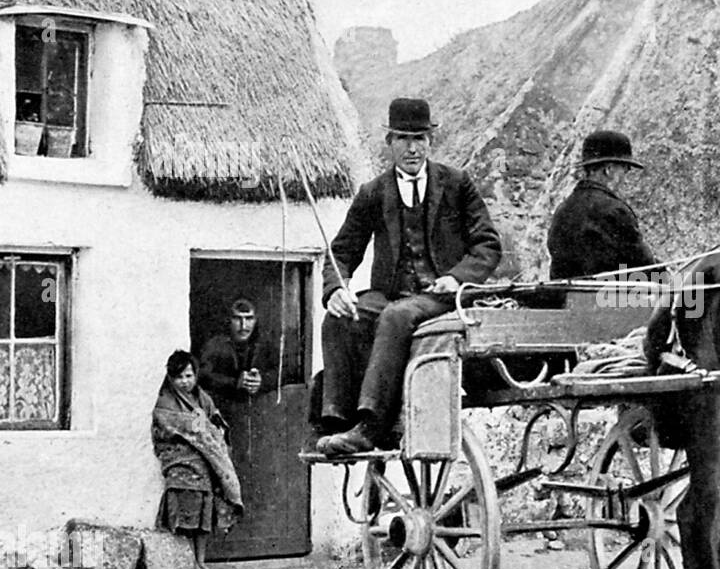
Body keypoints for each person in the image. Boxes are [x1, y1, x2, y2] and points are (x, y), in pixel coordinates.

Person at [317, 97, 502, 456]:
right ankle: (336, 422)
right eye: (403, 138)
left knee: (397, 316)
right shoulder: (373, 192)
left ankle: (371, 426)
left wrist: (457, 277)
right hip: (390, 293)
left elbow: (487, 245)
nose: (412, 148)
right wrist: (336, 288)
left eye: (419, 139)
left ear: (431, 142)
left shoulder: (457, 184)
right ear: (390, 143)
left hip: (442, 295)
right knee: (338, 318)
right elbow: (342, 251)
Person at [152, 350, 244, 569]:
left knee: (204, 512)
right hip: (181, 461)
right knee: (186, 513)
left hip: (204, 463)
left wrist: (212, 433)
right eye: (179, 377)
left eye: (189, 376)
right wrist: (201, 434)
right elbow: (172, 429)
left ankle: (202, 562)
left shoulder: (202, 399)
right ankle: (190, 562)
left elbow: (213, 424)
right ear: (171, 379)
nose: (185, 382)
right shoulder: (166, 401)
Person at [547, 130, 657, 280]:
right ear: (609, 170)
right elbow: (645, 265)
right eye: (624, 170)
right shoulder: (615, 211)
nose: (624, 178)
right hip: (606, 299)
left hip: (563, 299)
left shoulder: (563, 210)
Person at [198, 298, 278, 402]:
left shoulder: (265, 345)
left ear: (256, 320)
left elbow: (285, 371)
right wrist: (234, 382)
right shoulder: (214, 345)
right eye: (237, 318)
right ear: (228, 320)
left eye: (249, 319)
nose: (243, 326)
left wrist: (262, 381)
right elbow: (202, 375)